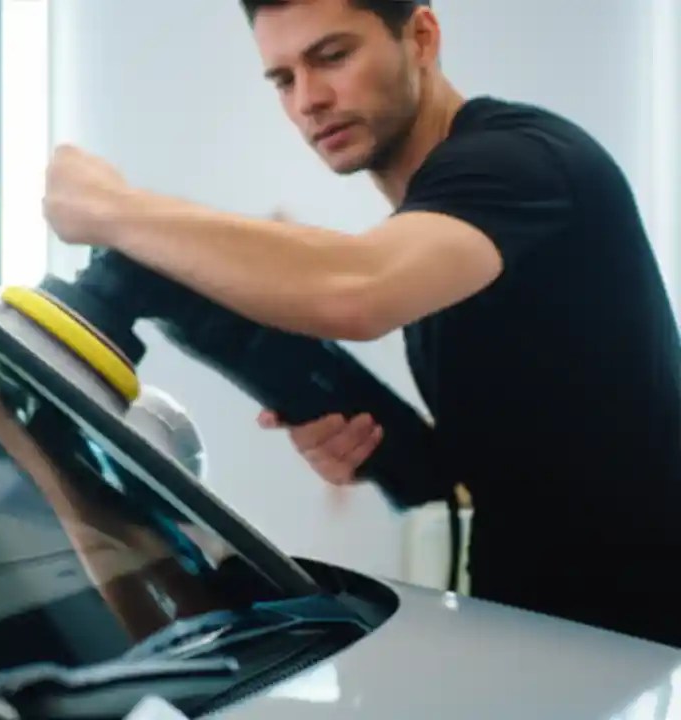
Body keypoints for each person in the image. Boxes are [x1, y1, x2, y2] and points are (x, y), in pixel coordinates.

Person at [41, 0, 681, 647]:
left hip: (639, 639)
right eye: (284, 79)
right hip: (536, 626)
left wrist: (110, 209)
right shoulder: (442, 223)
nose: (309, 100)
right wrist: (377, 441)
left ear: (422, 37)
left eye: (333, 57)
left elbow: (355, 288)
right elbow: (528, 450)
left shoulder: (523, 162)